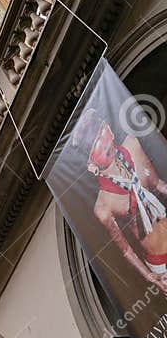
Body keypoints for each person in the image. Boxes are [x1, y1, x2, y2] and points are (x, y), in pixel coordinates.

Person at [71, 108, 167, 293]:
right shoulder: (103, 207)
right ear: (92, 166)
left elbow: (158, 184)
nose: (101, 140)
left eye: (99, 130)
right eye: (93, 143)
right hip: (160, 263)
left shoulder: (133, 145)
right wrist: (151, 277)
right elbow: (126, 250)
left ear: (107, 128)